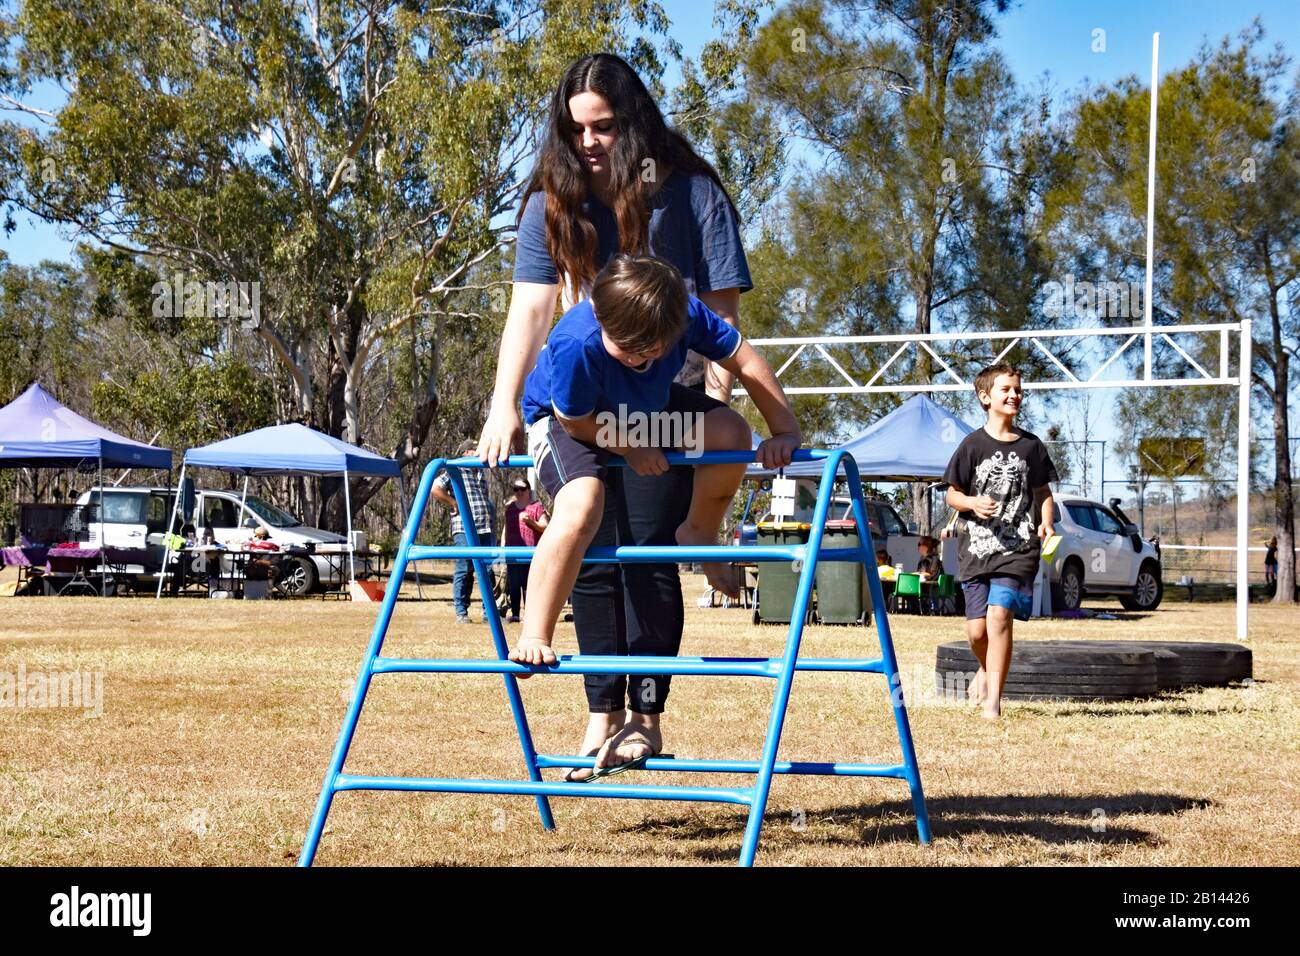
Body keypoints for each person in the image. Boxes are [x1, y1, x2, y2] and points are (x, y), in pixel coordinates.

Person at [476, 53, 756, 779]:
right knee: (592, 550)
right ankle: (601, 709)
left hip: (667, 398)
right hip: (579, 402)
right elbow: (531, 306)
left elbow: (723, 313)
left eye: (604, 126)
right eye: (576, 130)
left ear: (634, 122)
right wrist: (504, 404)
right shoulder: (551, 202)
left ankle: (646, 718)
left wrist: (716, 402)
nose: (590, 142)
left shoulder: (691, 194)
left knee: (648, 556)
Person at [507, 256, 799, 773]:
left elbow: (747, 363)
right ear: (600, 318)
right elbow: (576, 422)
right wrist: (630, 446)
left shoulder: (683, 313)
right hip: (567, 422)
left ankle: (699, 531)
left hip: (642, 416)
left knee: (731, 433)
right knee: (583, 505)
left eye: (654, 351)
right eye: (630, 351)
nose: (642, 359)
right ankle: (534, 632)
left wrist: (784, 430)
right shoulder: (578, 342)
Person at [943, 362, 1058, 720]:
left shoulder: (1031, 446)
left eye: (1018, 389)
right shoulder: (972, 445)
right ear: (984, 397)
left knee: (999, 617)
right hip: (977, 548)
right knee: (977, 632)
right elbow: (951, 495)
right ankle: (985, 665)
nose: (1014, 395)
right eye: (1006, 389)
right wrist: (972, 502)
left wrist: (1047, 524)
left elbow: (1044, 493)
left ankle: (993, 701)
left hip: (1018, 547)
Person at [432, 439, 497, 623]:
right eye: (476, 449)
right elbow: (435, 488)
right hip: (463, 528)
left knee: (488, 569)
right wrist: (453, 502)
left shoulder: (480, 472)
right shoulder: (456, 469)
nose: (480, 451)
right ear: (467, 452)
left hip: (484, 526)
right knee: (465, 568)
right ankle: (461, 612)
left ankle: (488, 613)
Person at [501, 479, 548, 622]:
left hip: (531, 553)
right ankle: (515, 614)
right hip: (512, 553)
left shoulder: (537, 507)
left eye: (522, 489)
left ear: (529, 490)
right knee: (514, 585)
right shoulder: (510, 509)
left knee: (530, 585)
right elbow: (506, 527)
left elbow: (545, 526)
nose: (519, 492)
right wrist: (503, 546)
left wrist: (531, 522)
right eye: (516, 489)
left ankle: (530, 616)